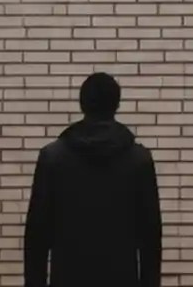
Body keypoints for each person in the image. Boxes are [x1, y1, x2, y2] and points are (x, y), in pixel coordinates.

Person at [23, 72, 162, 287]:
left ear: (82, 104)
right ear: (116, 104)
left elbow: (36, 237)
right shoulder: (139, 160)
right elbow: (150, 238)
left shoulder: (53, 158)